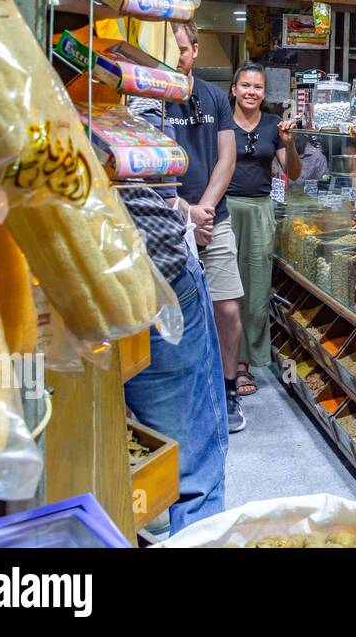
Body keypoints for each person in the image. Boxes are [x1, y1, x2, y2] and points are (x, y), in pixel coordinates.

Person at [120, 186, 228, 534]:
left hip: (51, 300)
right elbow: (161, 187)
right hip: (149, 275)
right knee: (193, 469)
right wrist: (183, 210)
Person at [166, 22, 247, 433]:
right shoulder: (149, 99)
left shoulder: (215, 97)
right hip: (165, 220)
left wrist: (204, 211)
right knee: (175, 310)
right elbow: (145, 169)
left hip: (214, 220)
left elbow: (226, 159)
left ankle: (228, 388)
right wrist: (185, 212)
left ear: (195, 51)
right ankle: (186, 395)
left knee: (228, 308)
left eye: (180, 49)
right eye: (168, 48)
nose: (174, 56)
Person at [226, 61, 301, 397]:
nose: (251, 92)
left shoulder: (274, 125)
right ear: (234, 89)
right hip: (224, 208)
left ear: (263, 93)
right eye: (245, 86)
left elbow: (294, 173)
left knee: (256, 291)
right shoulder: (222, 121)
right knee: (225, 288)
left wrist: (290, 142)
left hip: (260, 211)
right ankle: (223, 360)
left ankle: (243, 364)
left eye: (257, 87)